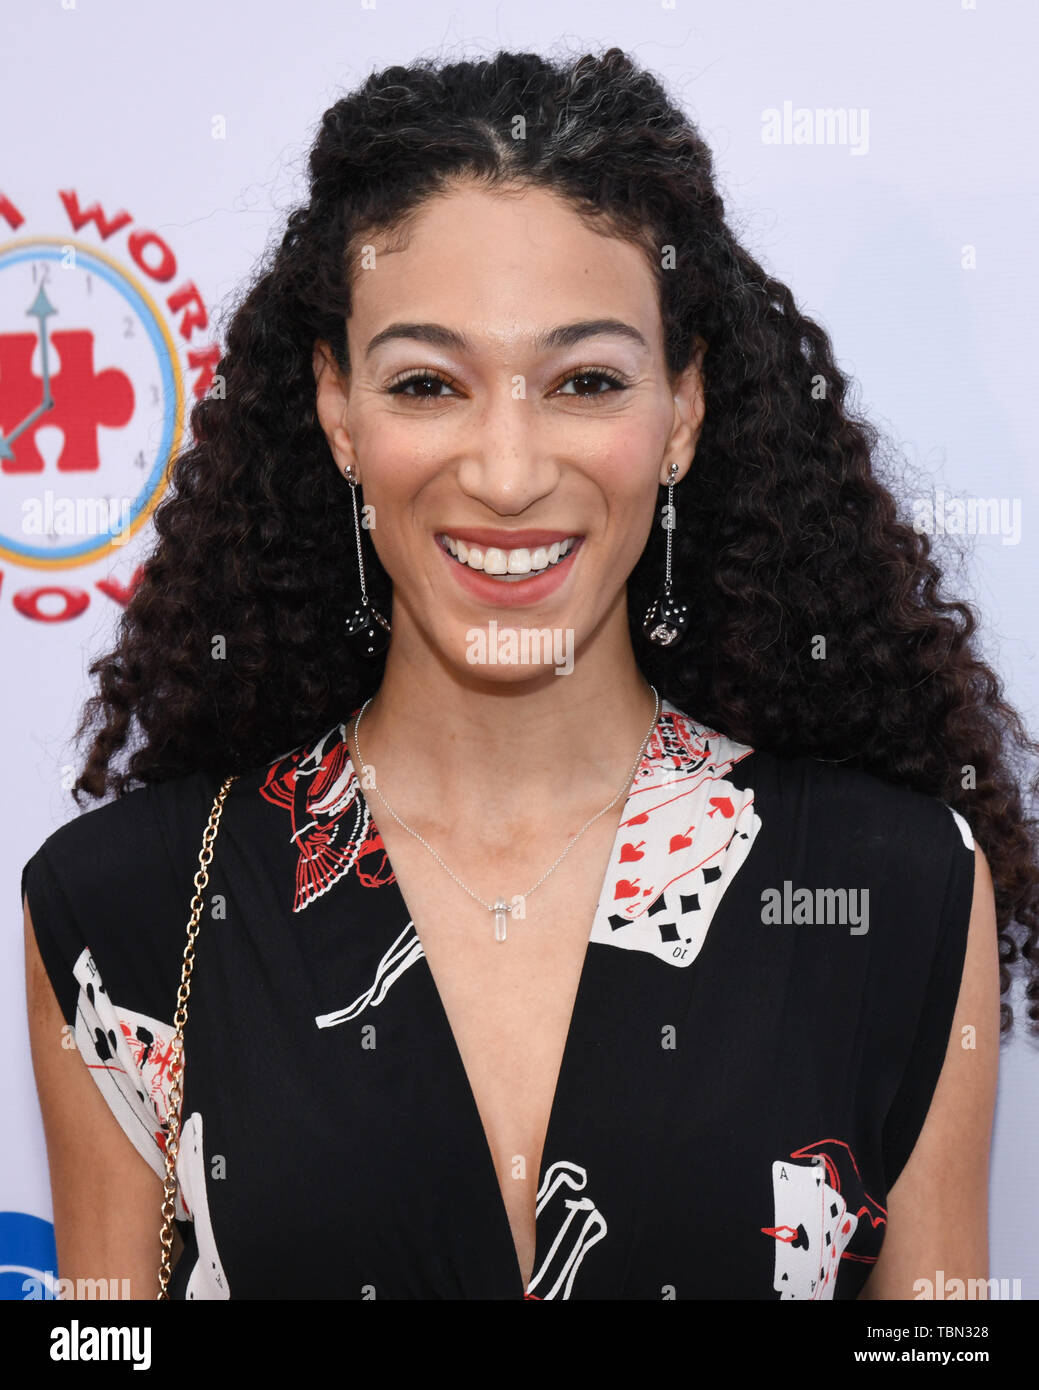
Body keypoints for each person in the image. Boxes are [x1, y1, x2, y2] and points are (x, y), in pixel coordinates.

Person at [21, 47, 1036, 1301]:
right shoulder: (120, 906)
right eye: (427, 383)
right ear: (338, 410)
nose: (505, 473)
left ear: (683, 411)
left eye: (587, 381)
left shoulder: (898, 887)